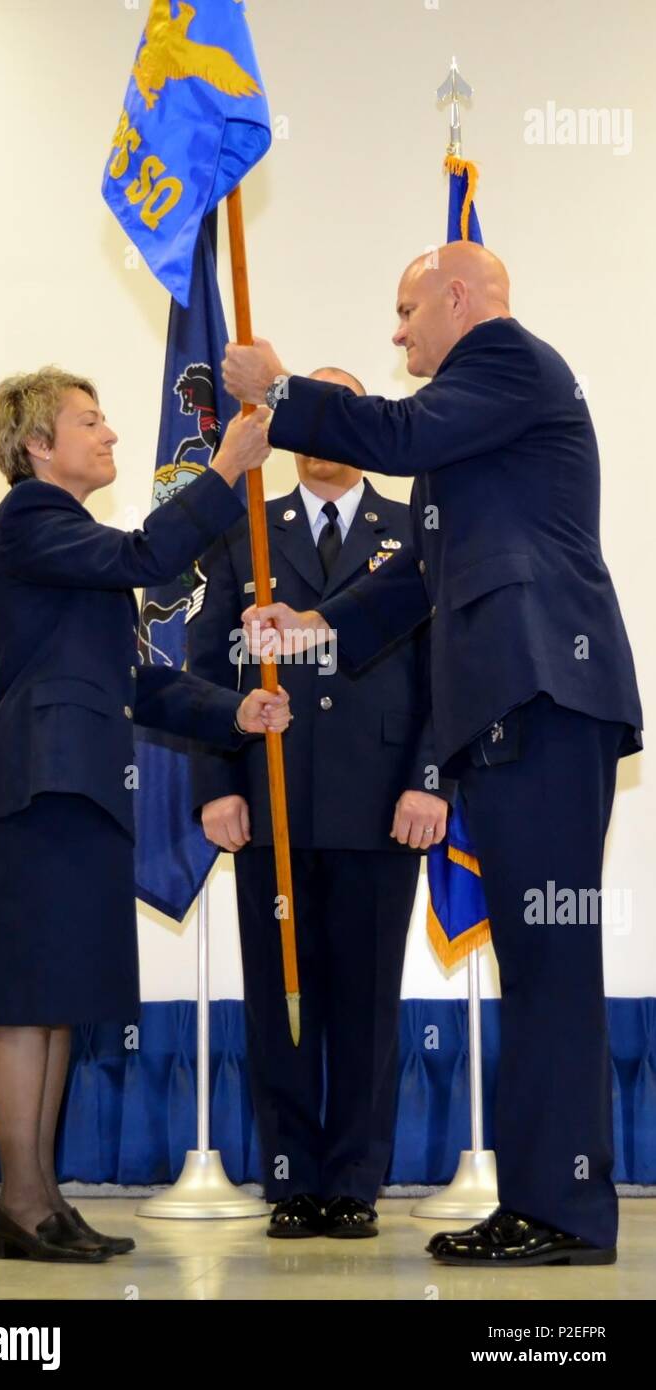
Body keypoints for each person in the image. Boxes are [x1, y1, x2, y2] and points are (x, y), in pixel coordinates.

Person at [220, 241, 643, 1267]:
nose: (399, 332)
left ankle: (564, 1212)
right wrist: (311, 627)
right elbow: (415, 574)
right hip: (513, 707)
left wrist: (279, 390)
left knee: (551, 966)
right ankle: (545, 1202)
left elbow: (396, 435)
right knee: (537, 968)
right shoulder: (477, 426)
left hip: (543, 694)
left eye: (407, 311)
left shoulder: (505, 360)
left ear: (461, 299)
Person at [0, 367, 290, 1263]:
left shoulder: (65, 539)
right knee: (27, 996)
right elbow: (149, 557)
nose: (110, 434)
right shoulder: (32, 520)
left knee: (56, 995)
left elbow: (138, 680)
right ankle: (21, 1205)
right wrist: (223, 468)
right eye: (89, 421)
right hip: (45, 786)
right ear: (39, 447)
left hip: (77, 785)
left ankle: (40, 1201)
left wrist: (229, 711)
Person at [188, 367, 449, 1239]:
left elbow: (441, 671)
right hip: (271, 802)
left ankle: (355, 1183)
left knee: (368, 1002)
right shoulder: (246, 534)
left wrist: (429, 777)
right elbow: (203, 673)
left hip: (382, 802)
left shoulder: (415, 531)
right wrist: (217, 785)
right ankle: (292, 1179)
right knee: (280, 997)